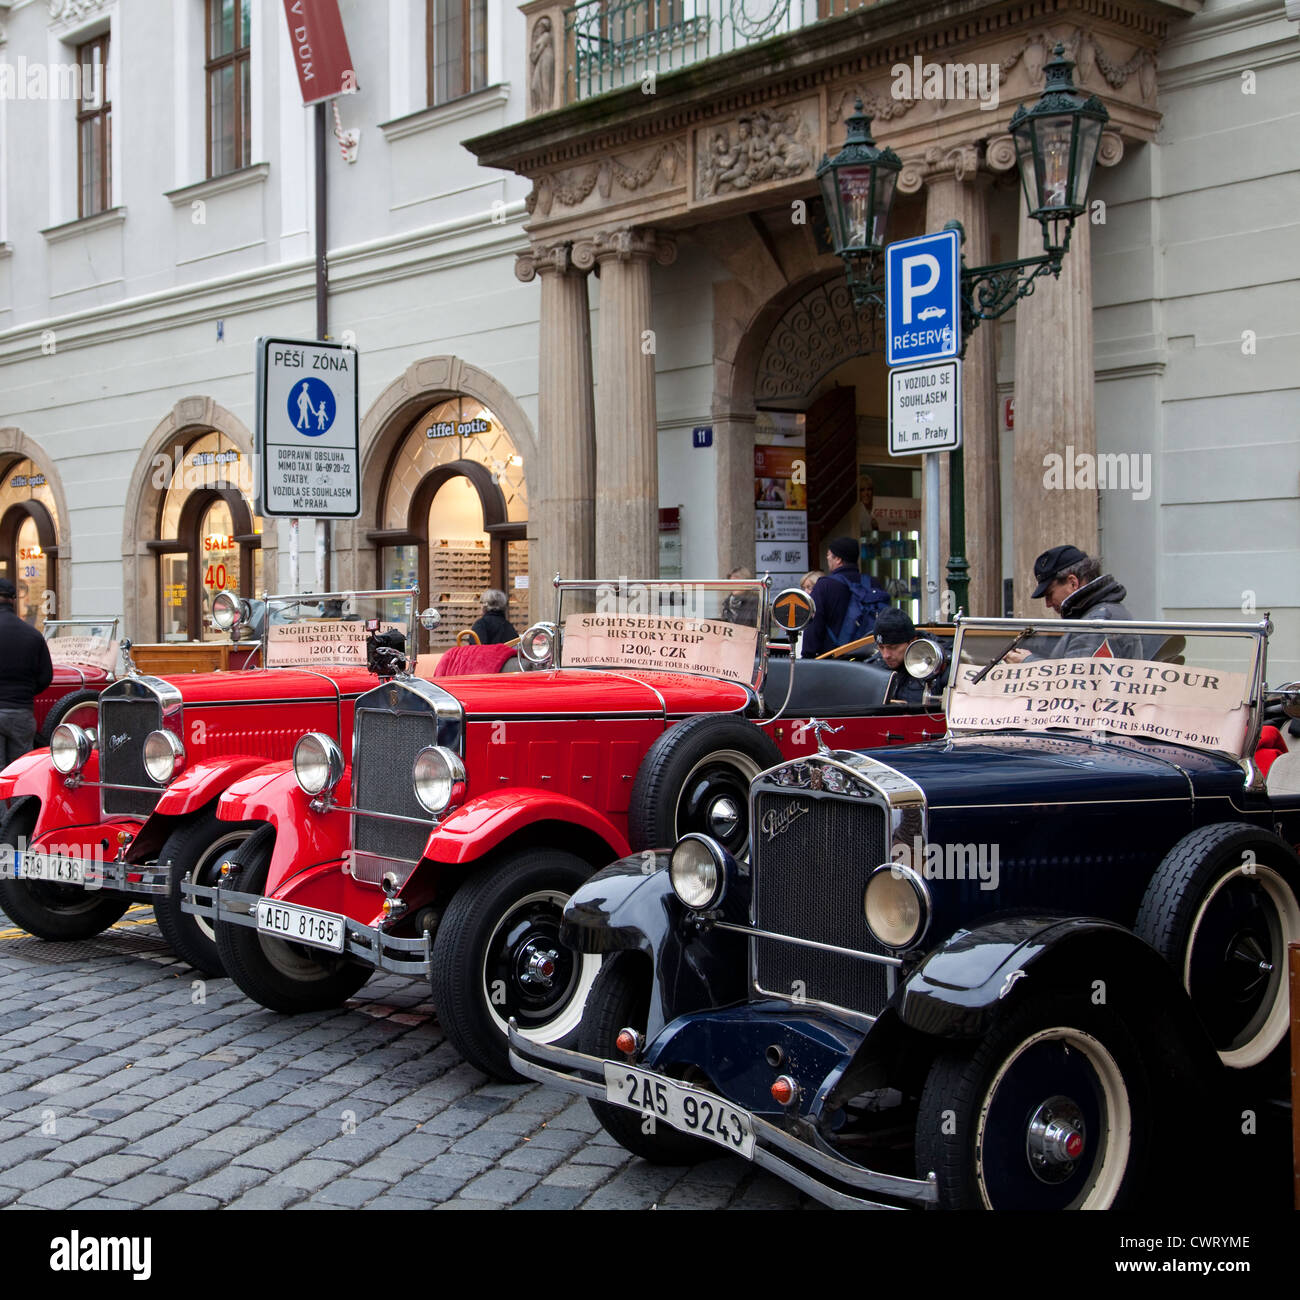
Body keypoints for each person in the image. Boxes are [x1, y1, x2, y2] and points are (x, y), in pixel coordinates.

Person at [1006, 544, 1140, 660]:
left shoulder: (1097, 621)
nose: (1048, 604)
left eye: (1049, 594)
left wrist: (1027, 662)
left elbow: (1076, 678)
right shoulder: (1096, 615)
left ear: (1072, 583)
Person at [0, 577, 53, 778]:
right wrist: (26, 692)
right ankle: (20, 809)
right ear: (13, 600)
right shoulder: (32, 634)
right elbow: (46, 676)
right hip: (21, 711)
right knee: (20, 774)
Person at [800, 538, 887, 658]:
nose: (828, 558)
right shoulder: (873, 583)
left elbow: (814, 625)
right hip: (869, 658)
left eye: (829, 555)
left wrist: (808, 656)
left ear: (838, 559)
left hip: (834, 660)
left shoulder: (825, 585)